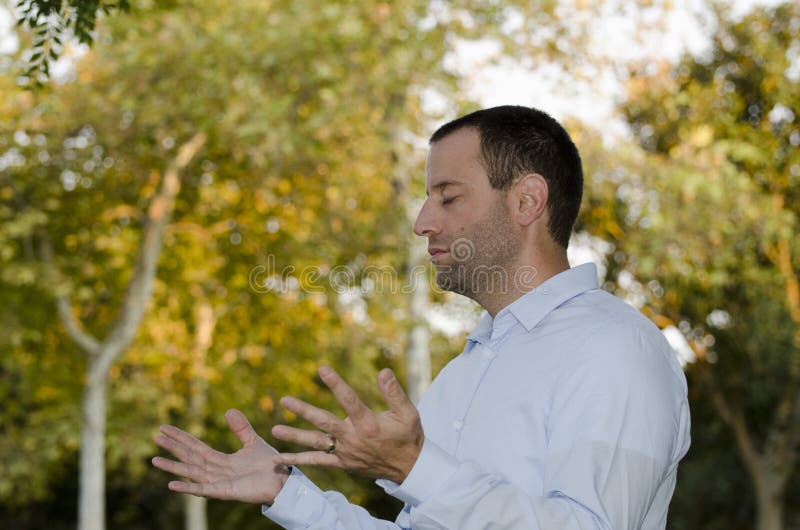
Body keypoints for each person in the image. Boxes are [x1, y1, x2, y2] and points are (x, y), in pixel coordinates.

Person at [152, 105, 691, 529]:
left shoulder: (615, 348)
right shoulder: (464, 373)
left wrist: (414, 467)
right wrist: (287, 493)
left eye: (447, 198)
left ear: (527, 201)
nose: (422, 222)